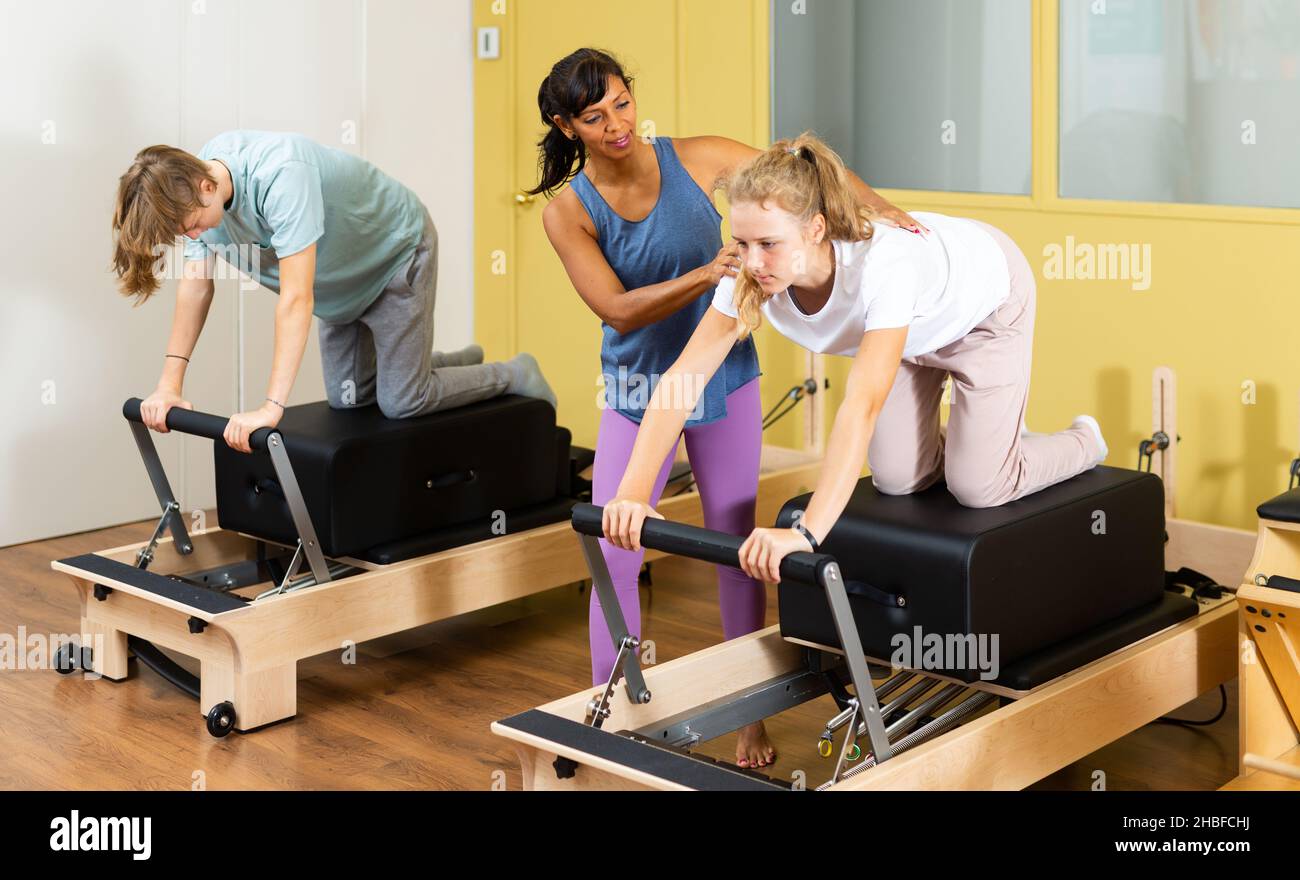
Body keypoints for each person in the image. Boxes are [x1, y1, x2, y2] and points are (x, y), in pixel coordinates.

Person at [601, 133, 1109, 735]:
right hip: (900, 339)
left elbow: (861, 403)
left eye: (769, 243)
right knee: (896, 478)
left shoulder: (883, 266)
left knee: (979, 486)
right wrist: (634, 489)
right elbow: (683, 377)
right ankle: (981, 436)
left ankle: (1080, 442)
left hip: (983, 312)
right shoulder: (748, 278)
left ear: (816, 230)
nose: (753, 260)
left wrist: (807, 532)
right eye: (740, 242)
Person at [532, 49, 924, 769]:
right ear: (567, 125)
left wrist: (884, 212)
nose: (617, 124)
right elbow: (617, 311)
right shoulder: (567, 210)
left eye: (622, 102)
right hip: (634, 392)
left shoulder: (697, 156)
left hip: (727, 380)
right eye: (595, 116)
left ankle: (751, 719)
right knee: (616, 550)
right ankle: (608, 709)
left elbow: (807, 177)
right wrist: (706, 274)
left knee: (737, 549)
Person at [111, 131, 554, 452]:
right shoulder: (188, 194)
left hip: (394, 256)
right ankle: (441, 365)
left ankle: (515, 373)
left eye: (188, 224)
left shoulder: (279, 175)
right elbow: (195, 287)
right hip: (340, 289)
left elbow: (296, 299)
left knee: (403, 401)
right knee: (349, 400)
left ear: (207, 184)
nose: (190, 234)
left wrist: (270, 407)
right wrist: (168, 385)